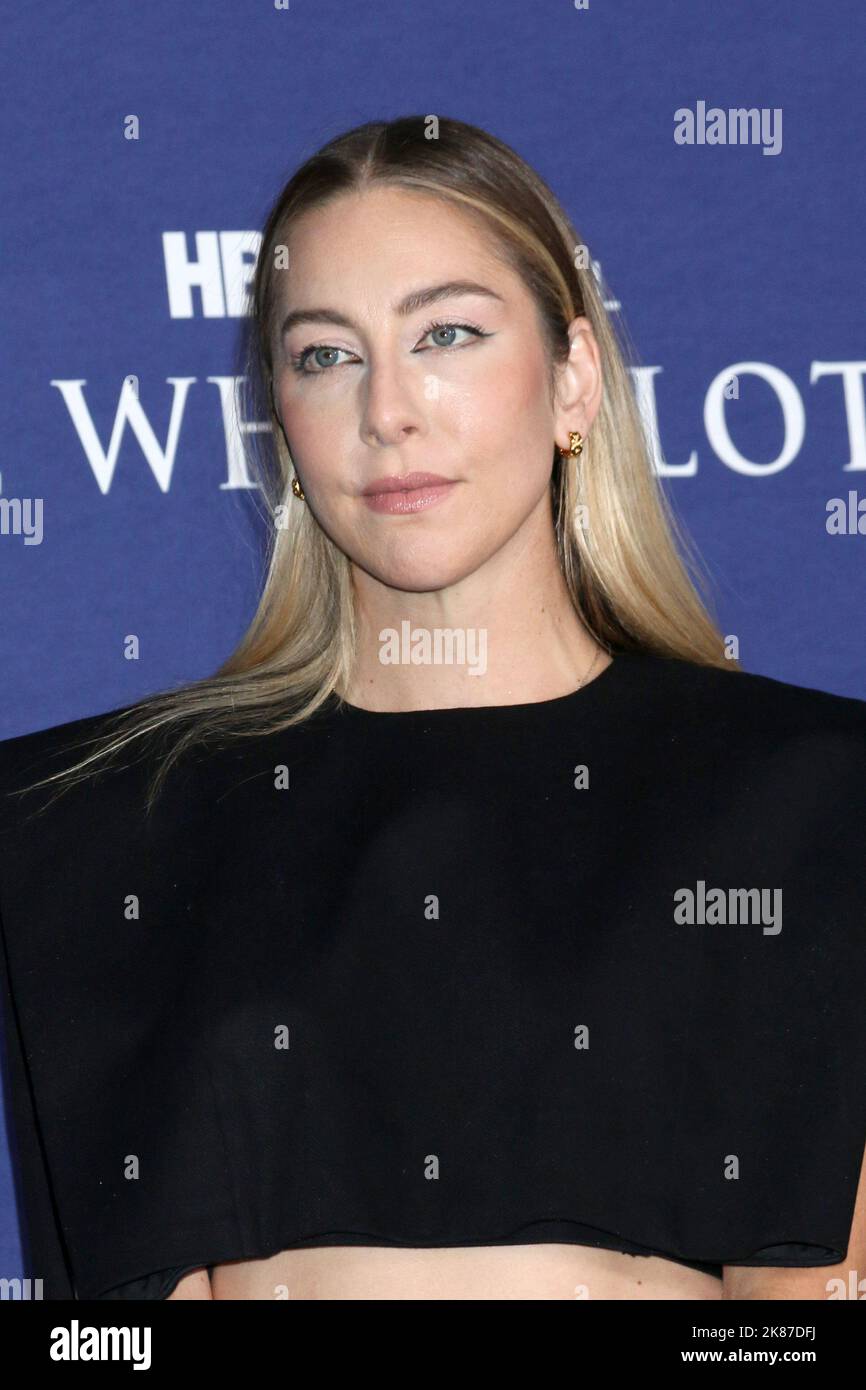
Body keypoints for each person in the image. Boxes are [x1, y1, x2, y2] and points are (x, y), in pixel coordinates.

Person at [1, 116, 864, 1303]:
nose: (386, 412)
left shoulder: (805, 798)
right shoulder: (100, 826)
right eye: (324, 355)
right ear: (279, 423)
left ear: (573, 378)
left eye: (445, 334)